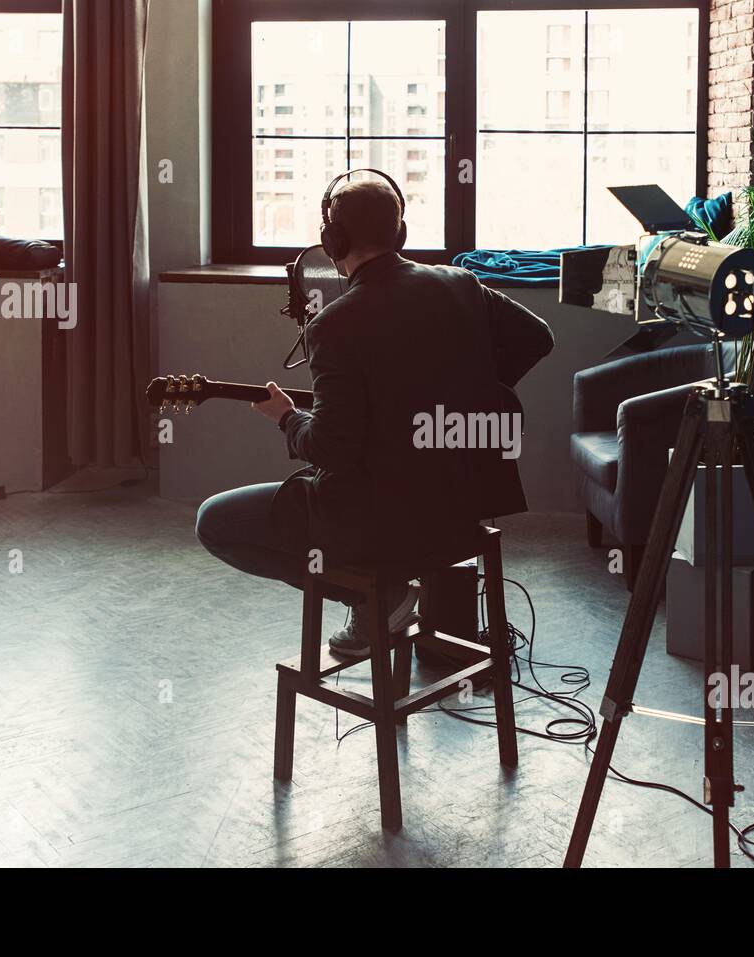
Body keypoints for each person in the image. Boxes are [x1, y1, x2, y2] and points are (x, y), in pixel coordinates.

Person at [196, 171, 554, 657]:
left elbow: (333, 450)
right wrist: (471, 392)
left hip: (382, 520)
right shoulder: (461, 284)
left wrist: (286, 418)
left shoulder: (333, 325)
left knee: (214, 520)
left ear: (332, 240)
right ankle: (387, 600)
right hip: (462, 509)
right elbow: (538, 337)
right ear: (400, 233)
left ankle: (380, 598)